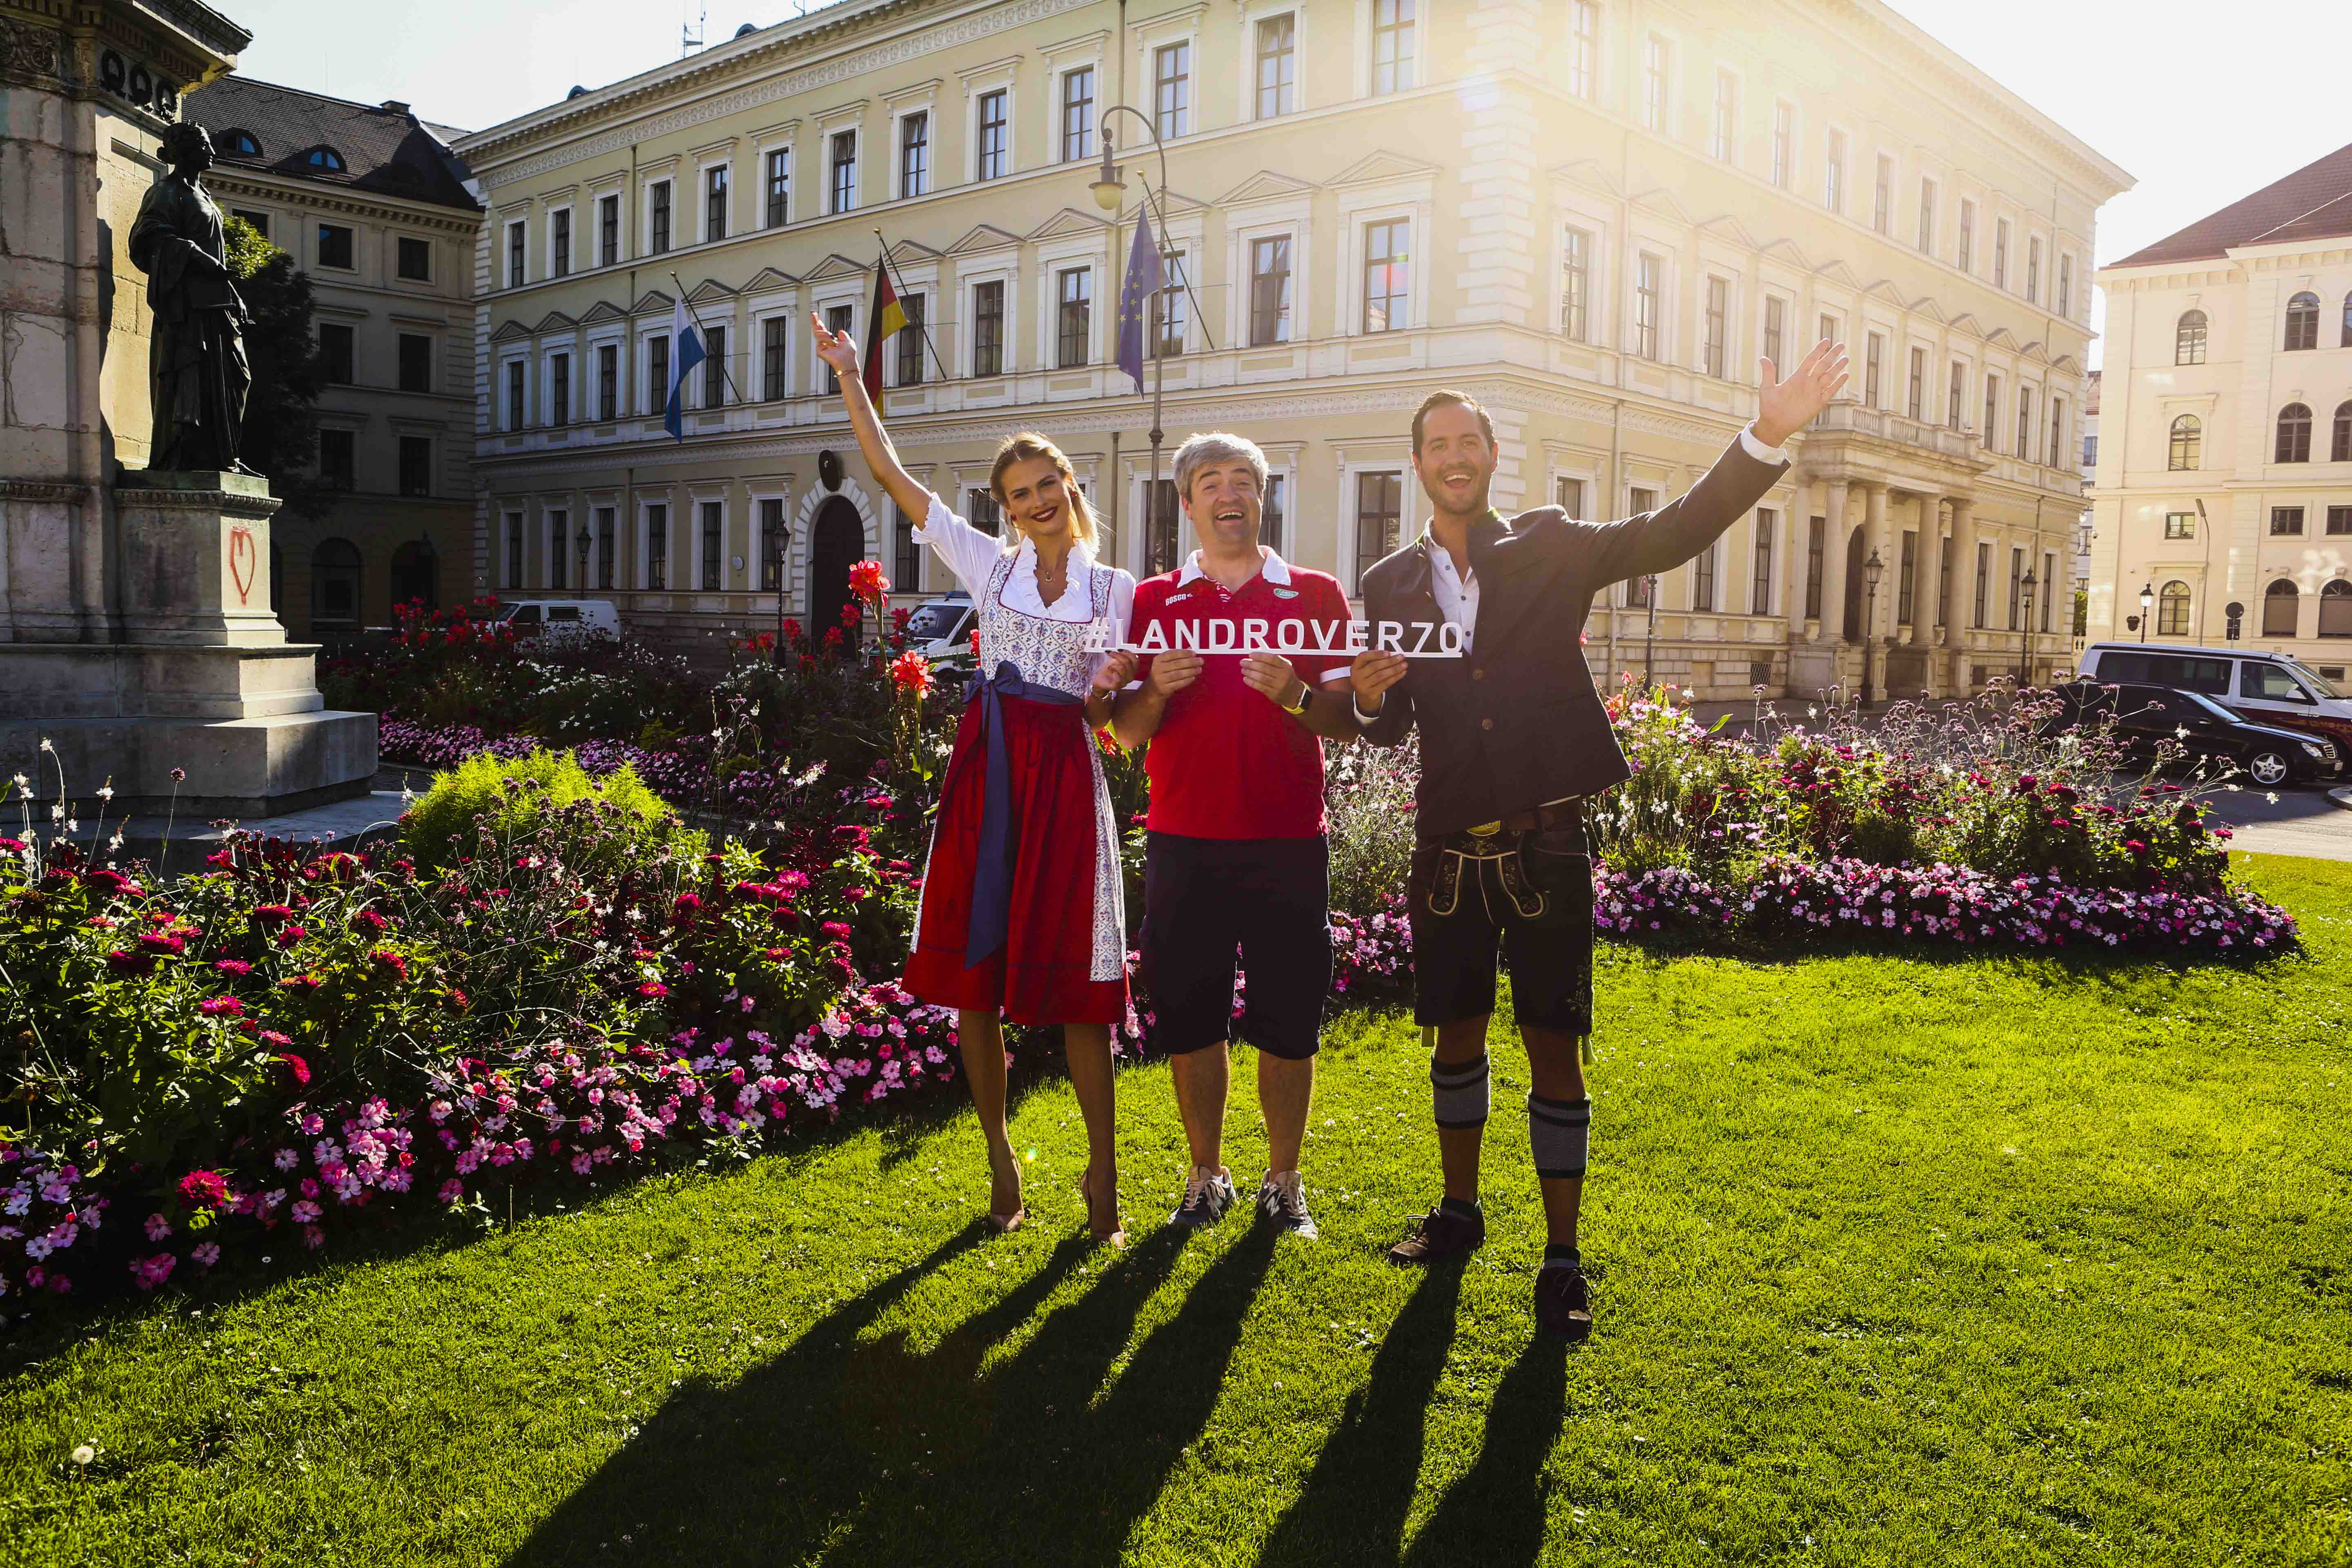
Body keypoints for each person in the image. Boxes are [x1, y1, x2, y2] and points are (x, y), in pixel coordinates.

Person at [1354, 343, 1850, 1338]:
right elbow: (1397, 726)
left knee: (1553, 1046)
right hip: (1448, 855)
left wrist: (1768, 434)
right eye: (1436, 445)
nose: (1454, 457)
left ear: (1493, 454)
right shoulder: (1389, 582)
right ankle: (1458, 1215)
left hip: (1546, 849)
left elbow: (1676, 530)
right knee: (1454, 1036)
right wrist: (1369, 706)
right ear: (1417, 465)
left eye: (1468, 441)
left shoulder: (1553, 544)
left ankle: (1562, 1260)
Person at [812, 315, 1136, 1246]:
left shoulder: (1116, 587)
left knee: (1080, 983)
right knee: (977, 983)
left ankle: (1102, 1173)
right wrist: (849, 375)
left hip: (1067, 780)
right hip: (991, 774)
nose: (1036, 501)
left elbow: (1126, 701)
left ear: (1071, 487)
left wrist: (1115, 689)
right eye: (1018, 493)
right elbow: (888, 472)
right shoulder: (987, 565)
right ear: (1003, 507)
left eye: (1047, 486)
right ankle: (1000, 1162)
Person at [1109, 432, 1362, 1238]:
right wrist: (1157, 691)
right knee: (1193, 1018)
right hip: (1185, 840)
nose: (1229, 495)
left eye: (1244, 481)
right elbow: (1124, 732)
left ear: (1262, 497)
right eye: (1211, 482)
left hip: (1288, 843)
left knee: (1288, 1019)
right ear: (1187, 503)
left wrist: (1294, 695)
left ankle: (1284, 1183)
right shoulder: (1152, 601)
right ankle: (1206, 1174)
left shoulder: (1315, 594)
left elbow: (1351, 719)